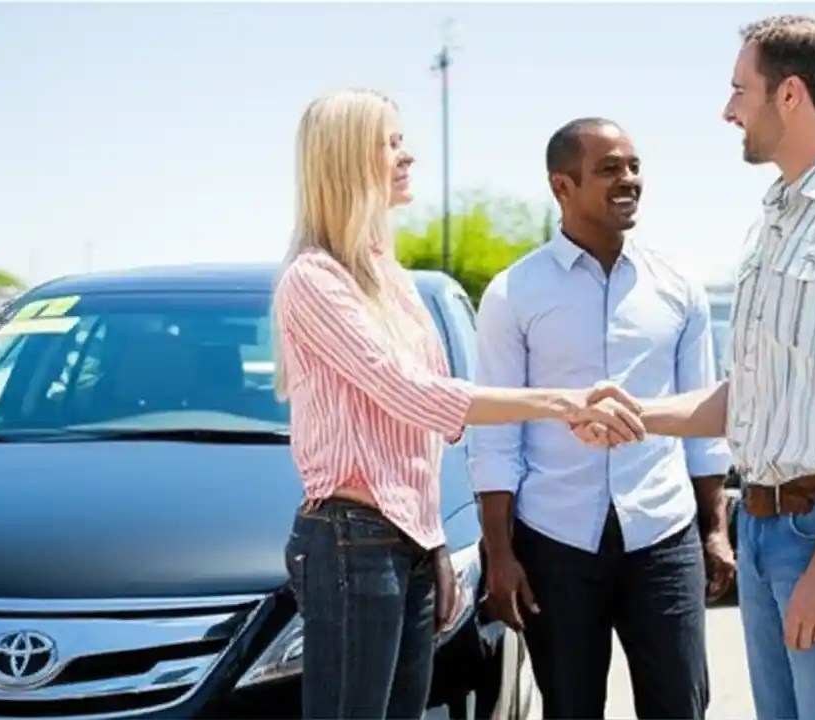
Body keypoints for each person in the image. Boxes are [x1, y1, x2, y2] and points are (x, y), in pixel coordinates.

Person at [271, 89, 645, 720]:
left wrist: (435, 546)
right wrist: (560, 402)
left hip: (403, 544)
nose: (406, 154)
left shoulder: (387, 276)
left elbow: (418, 432)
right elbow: (412, 394)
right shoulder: (313, 280)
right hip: (349, 542)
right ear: (347, 158)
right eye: (391, 142)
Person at [621, 15, 815, 720]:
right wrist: (631, 416)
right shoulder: (775, 220)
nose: (728, 109)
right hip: (761, 533)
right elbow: (754, 395)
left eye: (741, 90)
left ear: (790, 95)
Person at [469, 117, 735, 720]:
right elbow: (495, 432)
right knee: (570, 709)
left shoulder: (678, 286)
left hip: (662, 534)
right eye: (610, 169)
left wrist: (714, 527)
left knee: (681, 707)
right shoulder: (514, 293)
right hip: (555, 541)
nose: (630, 180)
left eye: (635, 166)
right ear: (562, 187)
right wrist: (500, 553)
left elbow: (704, 418)